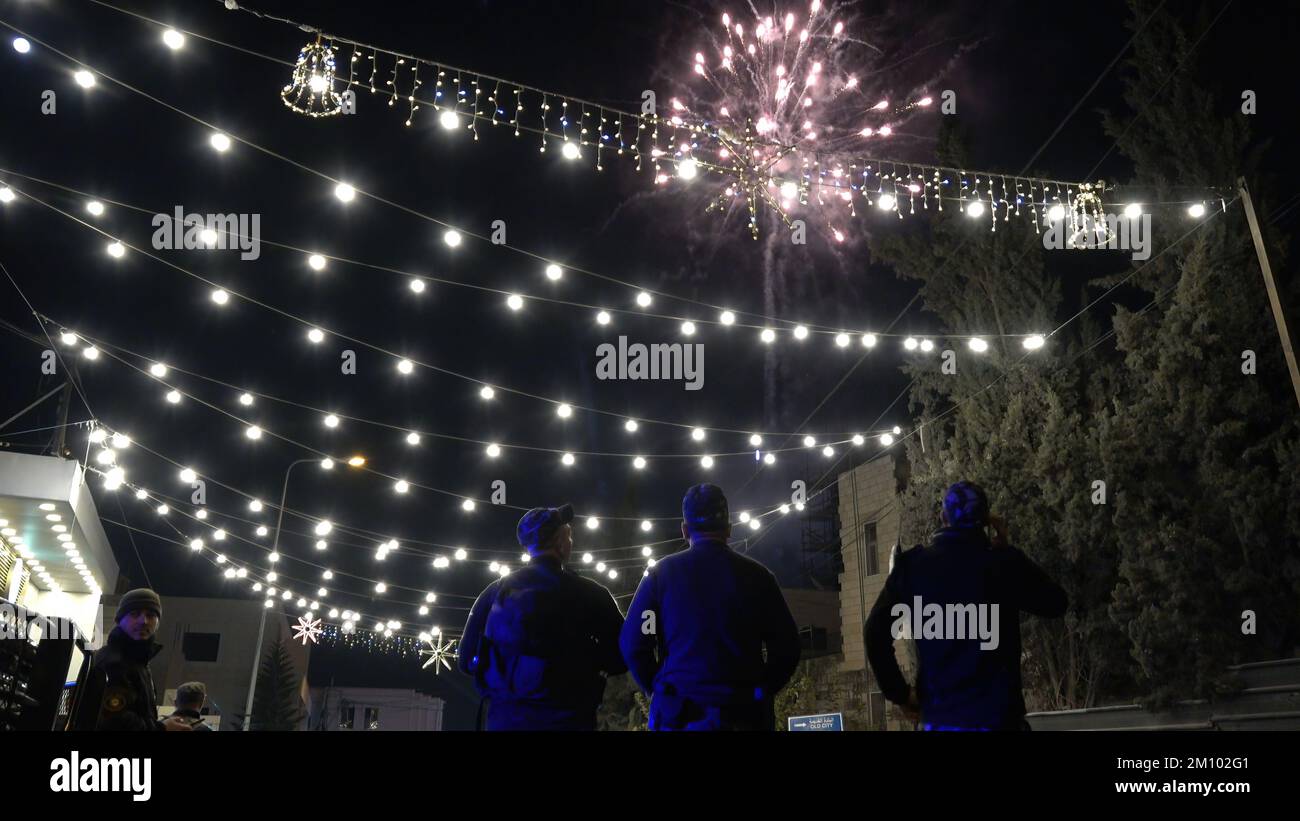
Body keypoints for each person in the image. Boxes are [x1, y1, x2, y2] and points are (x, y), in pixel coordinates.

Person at [864, 481, 1068, 731]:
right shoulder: (1003, 564)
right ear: (986, 520)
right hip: (999, 721)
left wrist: (901, 694)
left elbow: (874, 632)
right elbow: (1056, 603)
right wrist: (1010, 552)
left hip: (941, 720)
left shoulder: (913, 568)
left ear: (942, 517)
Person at [619, 484, 801, 730]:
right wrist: (760, 691)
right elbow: (787, 647)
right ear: (729, 529)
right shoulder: (759, 578)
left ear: (684, 530)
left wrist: (659, 690)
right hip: (744, 716)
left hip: (679, 716)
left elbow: (633, 644)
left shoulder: (659, 576)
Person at [458, 504, 627, 730]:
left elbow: (466, 659)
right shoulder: (591, 594)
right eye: (569, 537)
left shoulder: (495, 592)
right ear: (560, 543)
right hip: (570, 719)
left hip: (506, 718)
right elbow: (622, 655)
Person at [75, 588, 192, 731]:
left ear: (157, 623)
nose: (143, 621)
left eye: (150, 615)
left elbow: (135, 714)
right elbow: (114, 721)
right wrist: (161, 728)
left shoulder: (139, 662)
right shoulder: (113, 661)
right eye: (135, 614)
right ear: (119, 620)